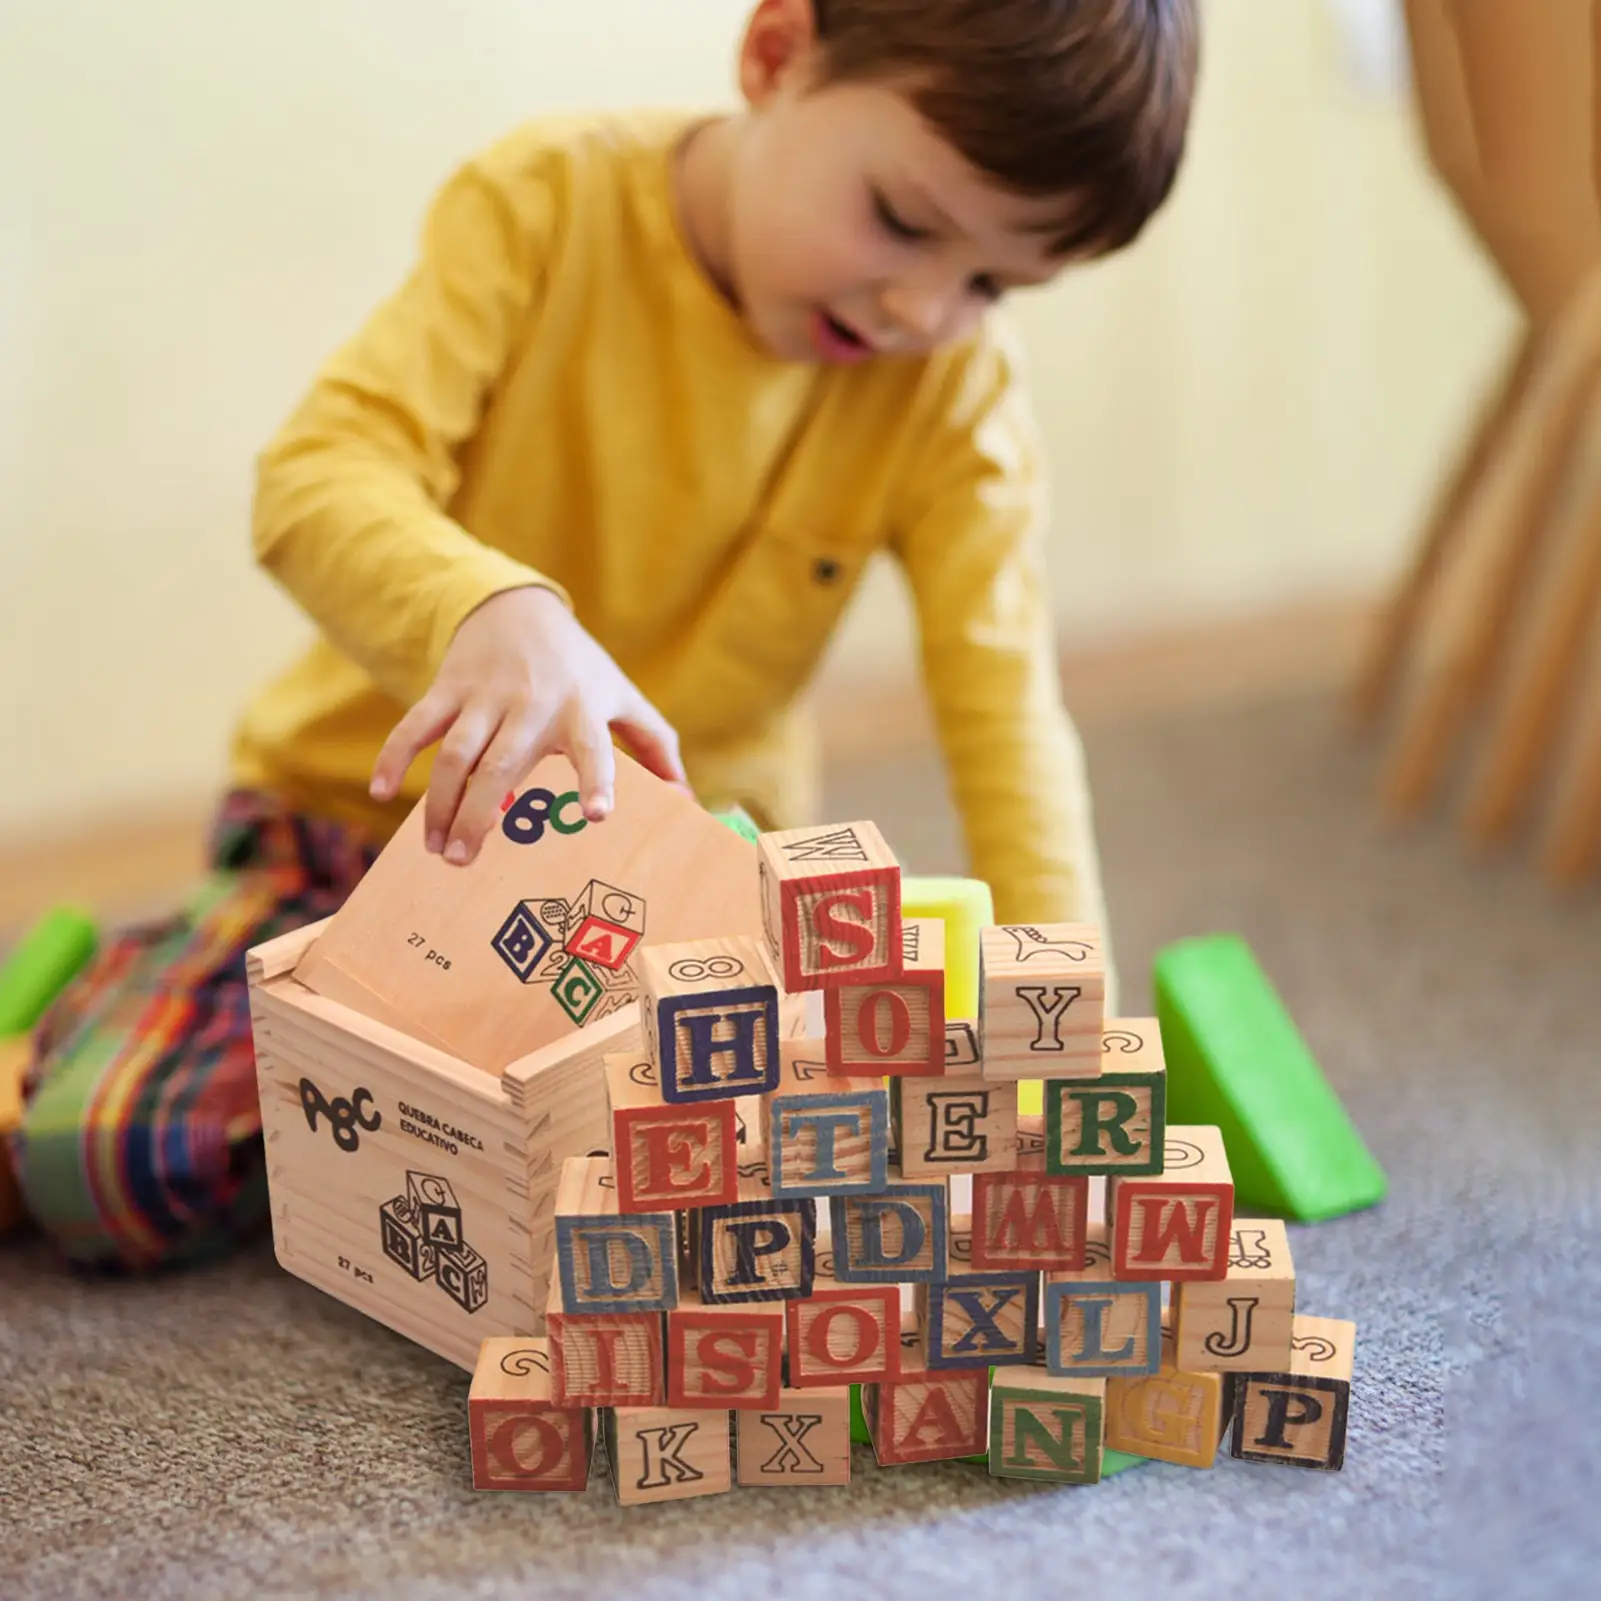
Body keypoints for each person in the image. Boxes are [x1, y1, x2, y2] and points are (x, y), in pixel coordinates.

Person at [10, 0, 1199, 1270]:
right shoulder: (547, 201)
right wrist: (487, 606)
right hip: (372, 833)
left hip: (683, 903)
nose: (919, 306)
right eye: (902, 221)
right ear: (776, 56)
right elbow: (315, 476)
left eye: (992, 283)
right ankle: (103, 1001)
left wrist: (1057, 1034)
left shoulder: (954, 388)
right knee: (108, 1168)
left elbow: (1004, 712)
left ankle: (393, 1107)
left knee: (754, 1201)